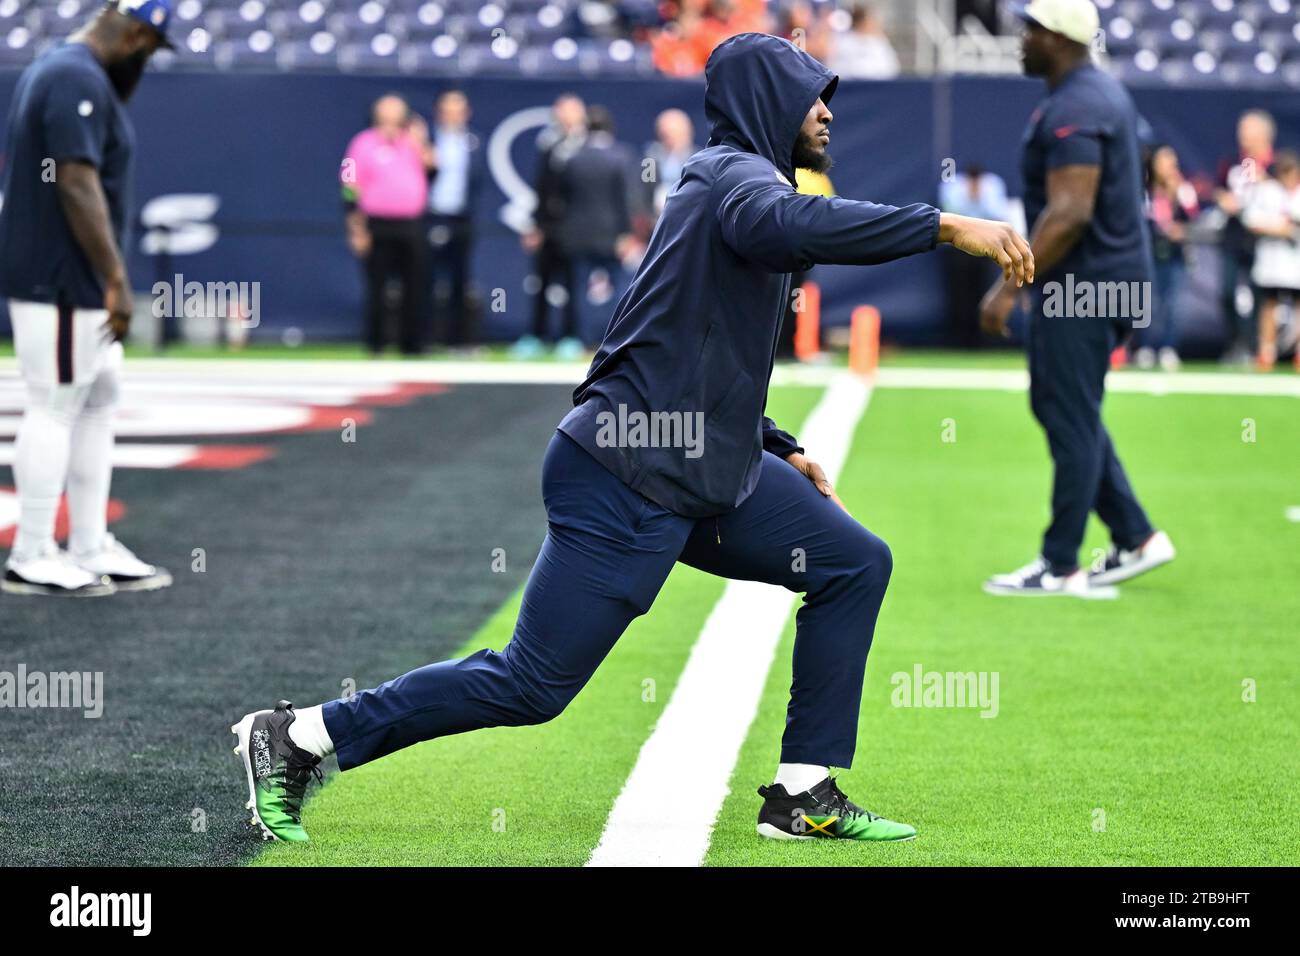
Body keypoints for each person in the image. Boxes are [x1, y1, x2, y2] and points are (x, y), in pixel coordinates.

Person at [232, 32, 1033, 844]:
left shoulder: (731, 187)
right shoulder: (735, 179)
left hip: (708, 469)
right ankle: (301, 736)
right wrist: (945, 226)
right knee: (531, 685)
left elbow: (692, 347)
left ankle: (803, 795)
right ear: (766, 105)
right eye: (808, 95)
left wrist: (774, 440)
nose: (825, 111)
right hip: (627, 476)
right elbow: (788, 223)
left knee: (853, 561)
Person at [980, 0, 1175, 598]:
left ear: (1059, 37)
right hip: (1101, 283)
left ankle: (1061, 561)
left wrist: (1008, 286)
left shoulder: (1079, 104)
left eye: (1031, 28)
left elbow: (1069, 213)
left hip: (1089, 287)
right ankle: (1136, 535)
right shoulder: (1087, 94)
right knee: (1067, 409)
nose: (1021, 37)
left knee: (1067, 414)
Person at [0, 0, 175, 597]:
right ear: (133, 30)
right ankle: (31, 550)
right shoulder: (74, 75)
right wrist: (115, 278)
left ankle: (88, 540)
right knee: (55, 402)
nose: (147, 60)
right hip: (62, 277)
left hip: (72, 278)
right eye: (149, 46)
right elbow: (74, 180)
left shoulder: (72, 70)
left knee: (98, 398)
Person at [341, 95, 435, 355]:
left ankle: (413, 343)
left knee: (415, 285)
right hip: (376, 223)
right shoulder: (361, 143)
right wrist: (355, 226)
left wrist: (421, 140)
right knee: (377, 286)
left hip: (412, 223)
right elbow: (349, 185)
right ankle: (376, 343)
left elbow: (434, 169)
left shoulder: (413, 142)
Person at [551, 105, 638, 356]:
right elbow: (625, 199)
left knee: (579, 288)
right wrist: (626, 233)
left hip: (577, 235)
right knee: (619, 287)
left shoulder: (573, 158)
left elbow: (562, 199)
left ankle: (584, 339)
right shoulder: (621, 156)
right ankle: (614, 337)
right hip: (611, 235)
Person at [515, 94, 586, 359]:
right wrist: (536, 225)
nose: (566, 117)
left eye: (571, 112)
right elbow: (541, 189)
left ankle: (571, 336)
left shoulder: (588, 145)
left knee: (572, 285)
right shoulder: (549, 143)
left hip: (576, 228)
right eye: (562, 112)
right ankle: (537, 335)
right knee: (541, 282)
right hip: (549, 227)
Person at [1214, 110, 1275, 365]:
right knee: (1227, 292)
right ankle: (1235, 344)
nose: (1243, 137)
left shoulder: (1275, 163)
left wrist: (1266, 183)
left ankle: (1254, 347)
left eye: (1248, 131)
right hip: (1234, 235)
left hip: (1263, 240)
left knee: (1259, 297)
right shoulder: (1234, 163)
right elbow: (1222, 190)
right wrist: (1224, 199)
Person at [425, 90, 483, 351]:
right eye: (448, 110)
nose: (453, 116)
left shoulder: (473, 142)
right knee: (428, 278)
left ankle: (458, 340)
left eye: (458, 110)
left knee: (461, 279)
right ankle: (426, 337)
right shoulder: (427, 140)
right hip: (431, 215)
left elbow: (477, 181)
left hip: (462, 217)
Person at [1135, 144, 1199, 371]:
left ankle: (1168, 347)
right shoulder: (1143, 189)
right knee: (1146, 301)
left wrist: (1176, 194)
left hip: (1174, 254)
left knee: (1172, 302)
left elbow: (1193, 219)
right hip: (1150, 252)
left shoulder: (1183, 189)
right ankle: (1144, 346)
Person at [939, 163, 1010, 348]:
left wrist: (979, 198)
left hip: (984, 248)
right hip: (957, 250)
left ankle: (982, 338)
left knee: (982, 291)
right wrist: (969, 197)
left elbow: (998, 214)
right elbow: (948, 214)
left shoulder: (993, 185)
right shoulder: (952, 186)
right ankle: (957, 339)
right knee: (958, 294)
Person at [1242, 150, 1300, 372]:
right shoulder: (1267, 191)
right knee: (1269, 305)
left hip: (1295, 262)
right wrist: (1279, 229)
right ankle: (1267, 351)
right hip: (1272, 261)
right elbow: (1251, 219)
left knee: (1297, 306)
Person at [828, 3, 901, 80]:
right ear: (859, 22)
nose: (873, 23)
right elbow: (844, 71)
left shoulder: (879, 42)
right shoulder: (844, 43)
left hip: (880, 86)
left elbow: (892, 68)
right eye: (869, 20)